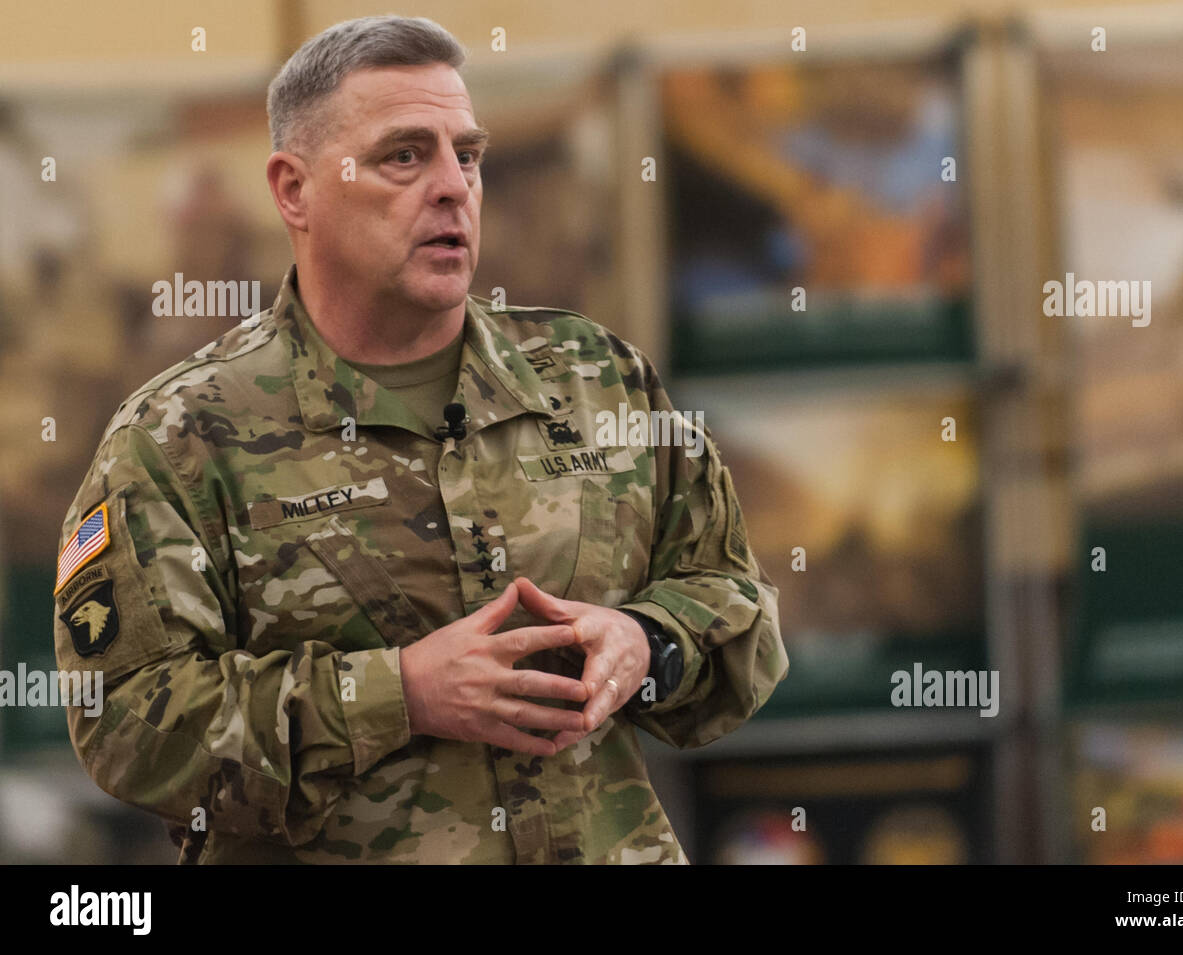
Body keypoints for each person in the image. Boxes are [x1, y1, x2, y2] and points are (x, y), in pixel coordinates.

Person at [52, 15, 786, 864]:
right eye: (405, 155)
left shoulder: (597, 376)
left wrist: (645, 641)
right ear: (294, 189)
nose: (452, 187)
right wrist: (400, 694)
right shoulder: (178, 439)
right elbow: (127, 726)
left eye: (466, 155)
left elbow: (741, 610)